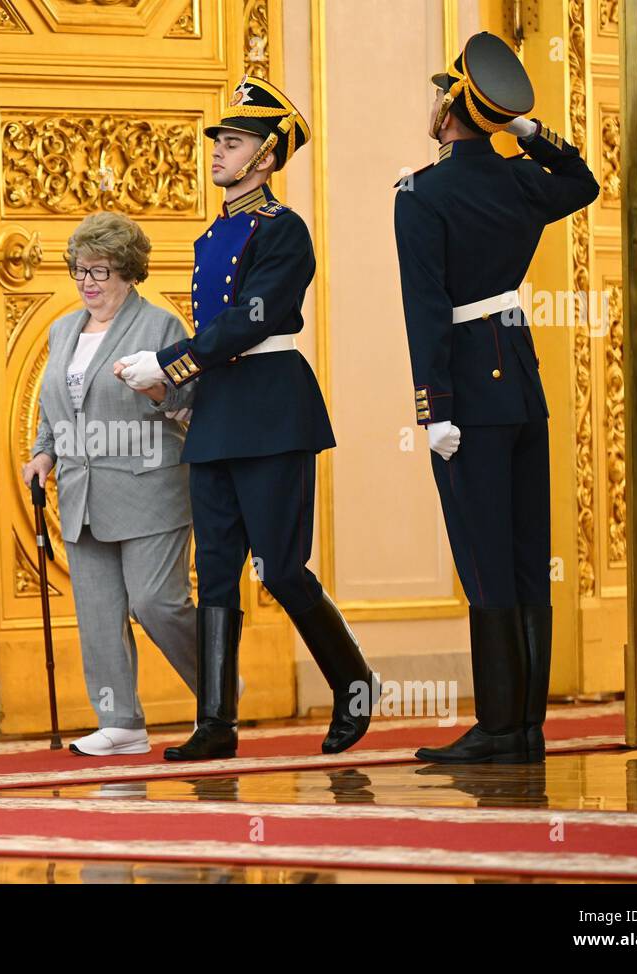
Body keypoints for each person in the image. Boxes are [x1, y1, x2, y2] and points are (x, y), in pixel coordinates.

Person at [116, 77, 376, 761]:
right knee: (219, 572)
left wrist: (169, 364)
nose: (218, 154)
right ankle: (215, 722)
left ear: (265, 157)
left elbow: (250, 319)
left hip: (271, 407)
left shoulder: (283, 231)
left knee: (283, 569)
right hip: (221, 411)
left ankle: (354, 681)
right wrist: (181, 376)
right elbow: (220, 329)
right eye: (219, 143)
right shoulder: (214, 233)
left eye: (232, 143)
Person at [393, 32, 599, 764]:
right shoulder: (519, 179)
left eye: (439, 96)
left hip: (468, 399)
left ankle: (499, 728)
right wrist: (529, 131)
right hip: (520, 378)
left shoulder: (420, 193)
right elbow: (583, 182)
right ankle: (528, 727)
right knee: (523, 555)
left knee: (484, 558)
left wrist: (434, 406)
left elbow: (425, 310)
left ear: (452, 108)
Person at [20, 212, 200, 756]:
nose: (88, 282)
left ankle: (217, 687)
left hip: (149, 486)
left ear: (128, 271)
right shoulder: (62, 330)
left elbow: (189, 401)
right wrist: (43, 453)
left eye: (100, 271)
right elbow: (57, 406)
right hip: (81, 491)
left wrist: (155, 390)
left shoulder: (162, 326)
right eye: (79, 271)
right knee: (98, 612)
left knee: (155, 602)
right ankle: (120, 721)